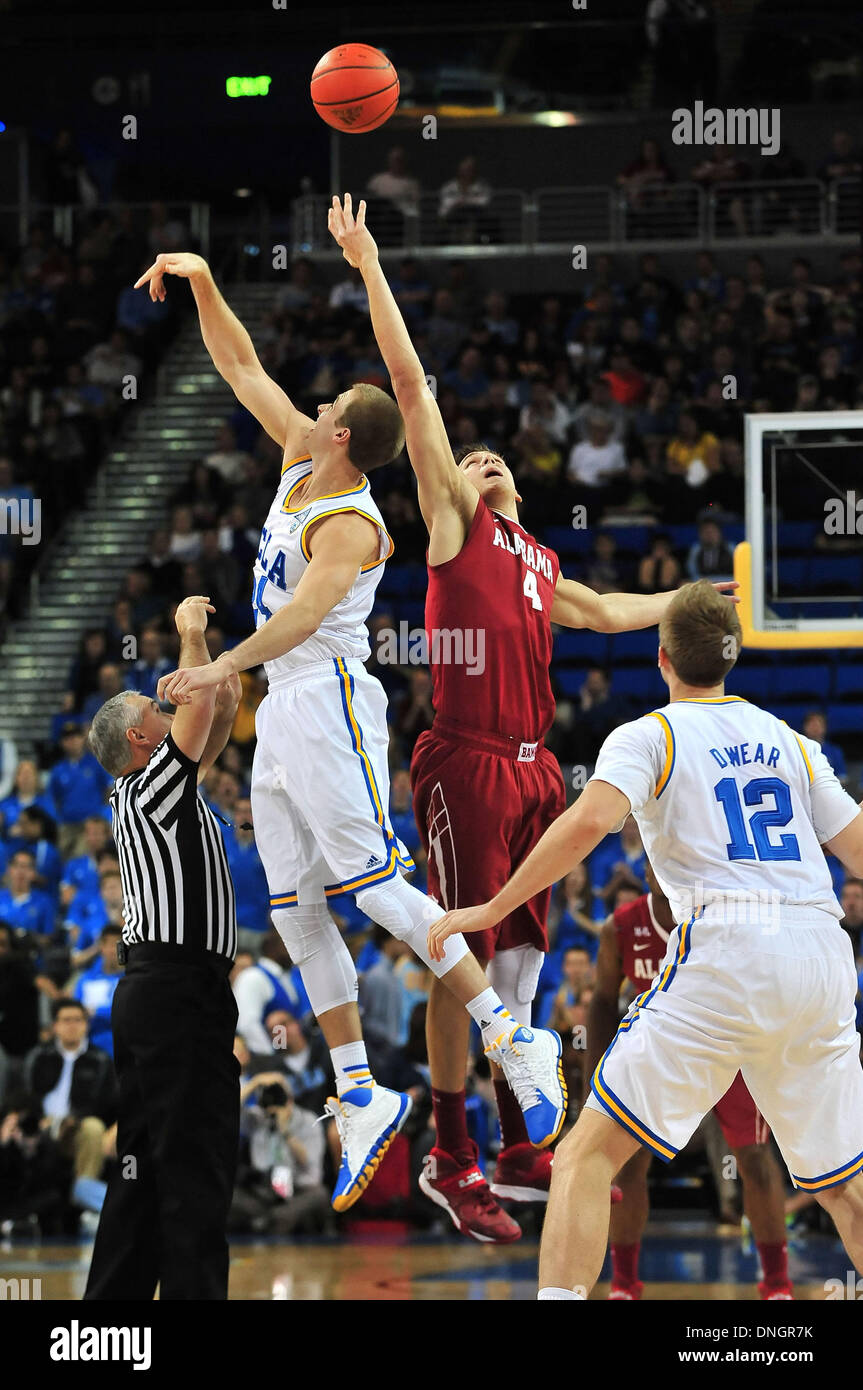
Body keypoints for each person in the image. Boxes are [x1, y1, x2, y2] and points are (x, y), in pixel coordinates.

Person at [327, 194, 737, 1241]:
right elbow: (413, 389)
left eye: (497, 458)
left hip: (533, 769)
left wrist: (701, 601)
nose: (485, 460)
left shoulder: (540, 560)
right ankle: (448, 1153)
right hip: (463, 759)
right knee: (457, 952)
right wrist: (370, 263)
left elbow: (607, 610)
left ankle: (512, 1139)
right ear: (449, 485)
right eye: (471, 458)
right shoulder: (456, 525)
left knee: (516, 971)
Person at [136, 241, 567, 1216]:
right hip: (282, 704)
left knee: (373, 889)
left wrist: (220, 663)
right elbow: (240, 364)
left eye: (326, 405)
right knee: (294, 908)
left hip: (325, 695)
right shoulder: (298, 455)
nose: (312, 404)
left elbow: (298, 617)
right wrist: (202, 281)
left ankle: (511, 1034)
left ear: (339, 433)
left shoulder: (355, 524)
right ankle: (361, 1092)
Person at [428, 580, 863, 1300]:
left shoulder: (648, 735)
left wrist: (493, 905)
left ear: (660, 657)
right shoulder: (794, 744)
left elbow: (588, 821)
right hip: (820, 955)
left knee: (583, 1158)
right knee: (845, 1185)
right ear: (733, 654)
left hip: (727, 950)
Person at [82, 594, 242, 1301]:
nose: (167, 706)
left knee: (143, 1166)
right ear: (144, 743)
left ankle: (105, 1320)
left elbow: (223, 706)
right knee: (194, 1167)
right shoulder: (150, 790)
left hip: (156, 994)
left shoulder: (156, 791)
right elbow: (204, 712)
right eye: (157, 709)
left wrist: (210, 665)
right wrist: (189, 634)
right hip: (178, 991)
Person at [589, 862, 793, 1300]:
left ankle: (777, 1284)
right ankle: (624, 1284)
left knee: (755, 1159)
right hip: (659, 1057)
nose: (658, 869)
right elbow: (603, 1002)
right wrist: (599, 1069)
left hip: (730, 1047)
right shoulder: (621, 927)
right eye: (651, 861)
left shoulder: (723, 917)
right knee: (629, 1163)